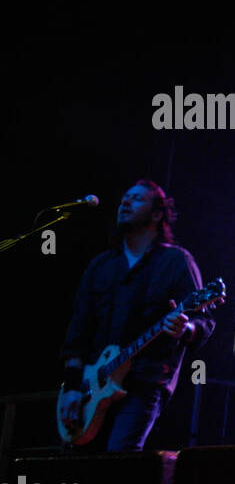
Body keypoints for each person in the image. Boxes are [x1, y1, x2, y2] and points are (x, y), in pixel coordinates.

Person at [59, 180, 215, 451]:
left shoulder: (176, 261)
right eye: (124, 198)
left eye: (137, 199)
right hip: (92, 385)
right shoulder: (101, 266)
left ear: (157, 215)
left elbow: (204, 321)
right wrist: (73, 386)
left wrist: (185, 329)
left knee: (121, 459)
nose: (126, 202)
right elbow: (78, 330)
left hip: (145, 381)